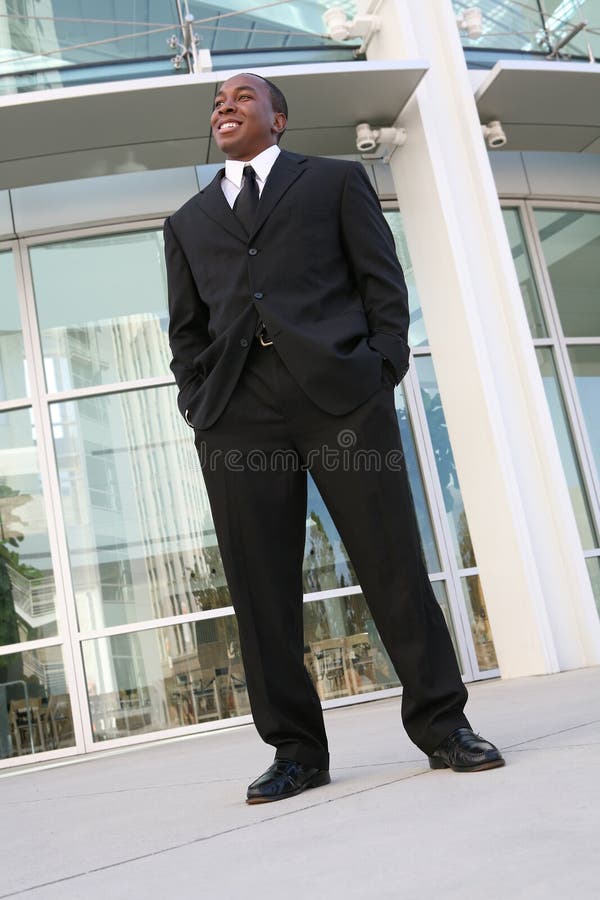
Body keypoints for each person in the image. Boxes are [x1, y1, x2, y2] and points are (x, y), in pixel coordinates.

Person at [163, 72, 504, 805]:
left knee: (392, 565)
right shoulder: (187, 222)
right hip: (236, 415)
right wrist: (200, 401)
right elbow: (186, 331)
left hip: (341, 404)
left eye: (243, 97)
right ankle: (296, 751)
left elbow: (384, 283)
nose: (225, 106)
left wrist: (381, 366)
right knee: (262, 591)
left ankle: (445, 728)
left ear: (278, 118)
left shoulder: (334, 184)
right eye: (218, 102)